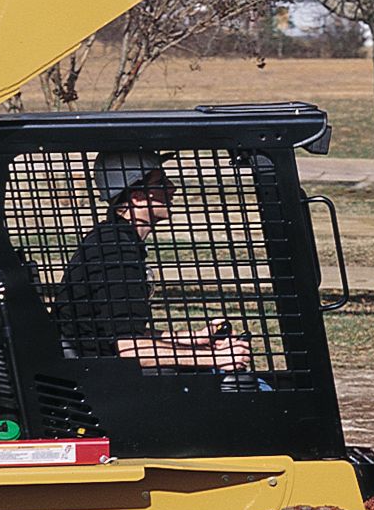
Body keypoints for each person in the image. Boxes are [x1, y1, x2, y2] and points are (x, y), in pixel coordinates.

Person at [56, 153, 254, 370]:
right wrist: (216, 358)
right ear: (137, 197)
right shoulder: (115, 252)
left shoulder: (116, 241)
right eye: (161, 183)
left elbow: (125, 331)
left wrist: (195, 338)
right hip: (100, 378)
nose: (172, 188)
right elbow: (130, 349)